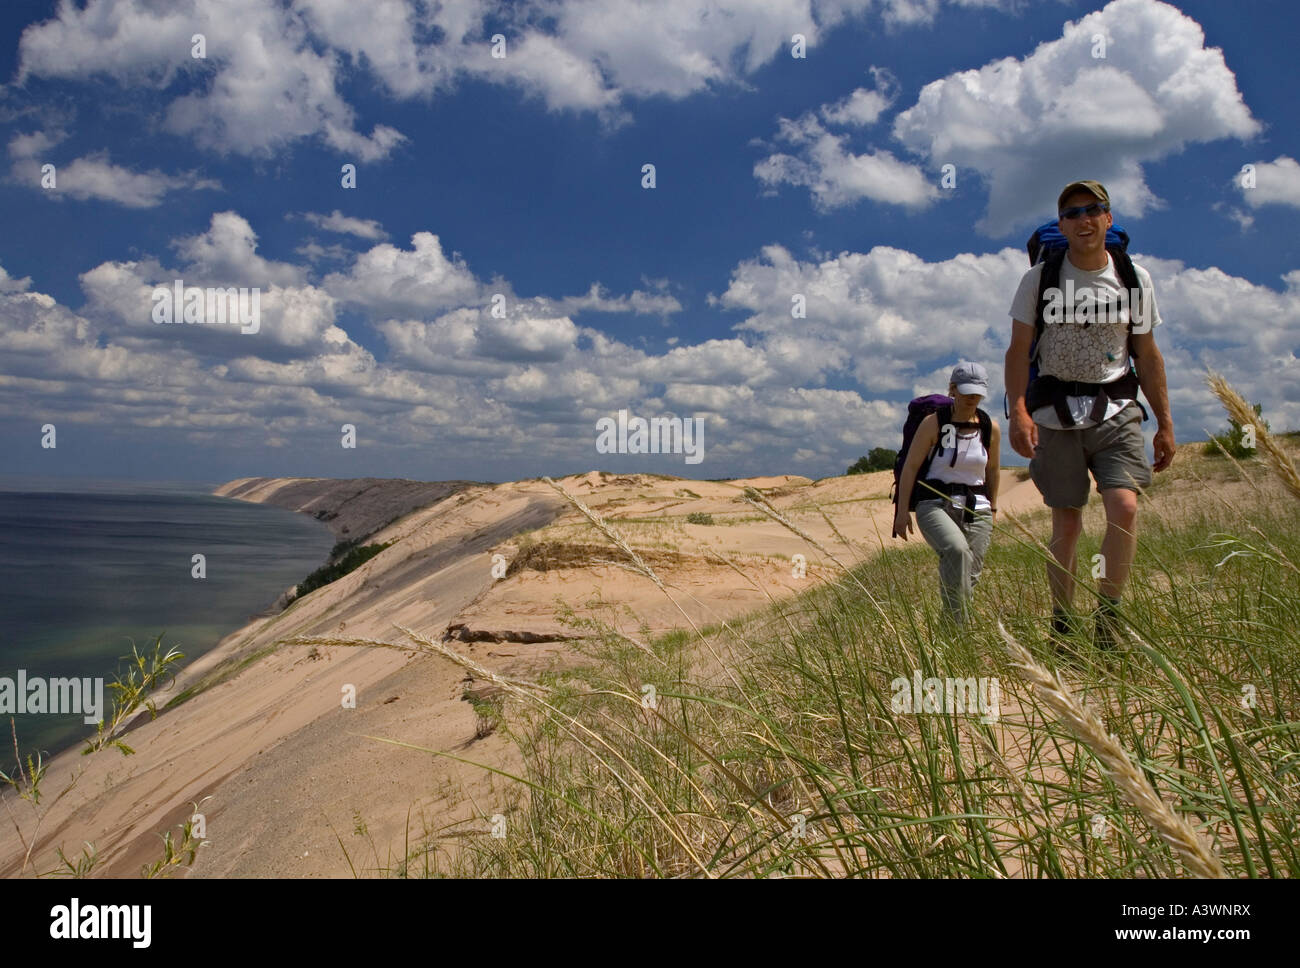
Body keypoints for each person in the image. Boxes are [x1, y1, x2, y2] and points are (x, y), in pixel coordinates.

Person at [1004, 179, 1175, 649]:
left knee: (1124, 505)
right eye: (1073, 213)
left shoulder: (1134, 277)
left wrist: (1165, 421)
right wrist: (1018, 410)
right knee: (1068, 520)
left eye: (1093, 210)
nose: (1084, 220)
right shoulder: (1038, 280)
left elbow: (1147, 352)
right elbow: (1018, 351)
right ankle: (1062, 622)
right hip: (1055, 412)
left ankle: (1109, 619)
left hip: (1118, 406)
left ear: (1108, 218)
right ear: (1061, 224)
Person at [893, 362, 1001, 625]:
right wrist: (901, 512)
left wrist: (993, 509)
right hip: (935, 503)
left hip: (978, 508)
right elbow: (910, 468)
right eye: (966, 391)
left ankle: (949, 632)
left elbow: (993, 470)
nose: (972, 397)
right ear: (952, 389)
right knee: (956, 550)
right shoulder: (933, 423)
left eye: (977, 392)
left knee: (969, 577)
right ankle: (961, 634)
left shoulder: (989, 427)